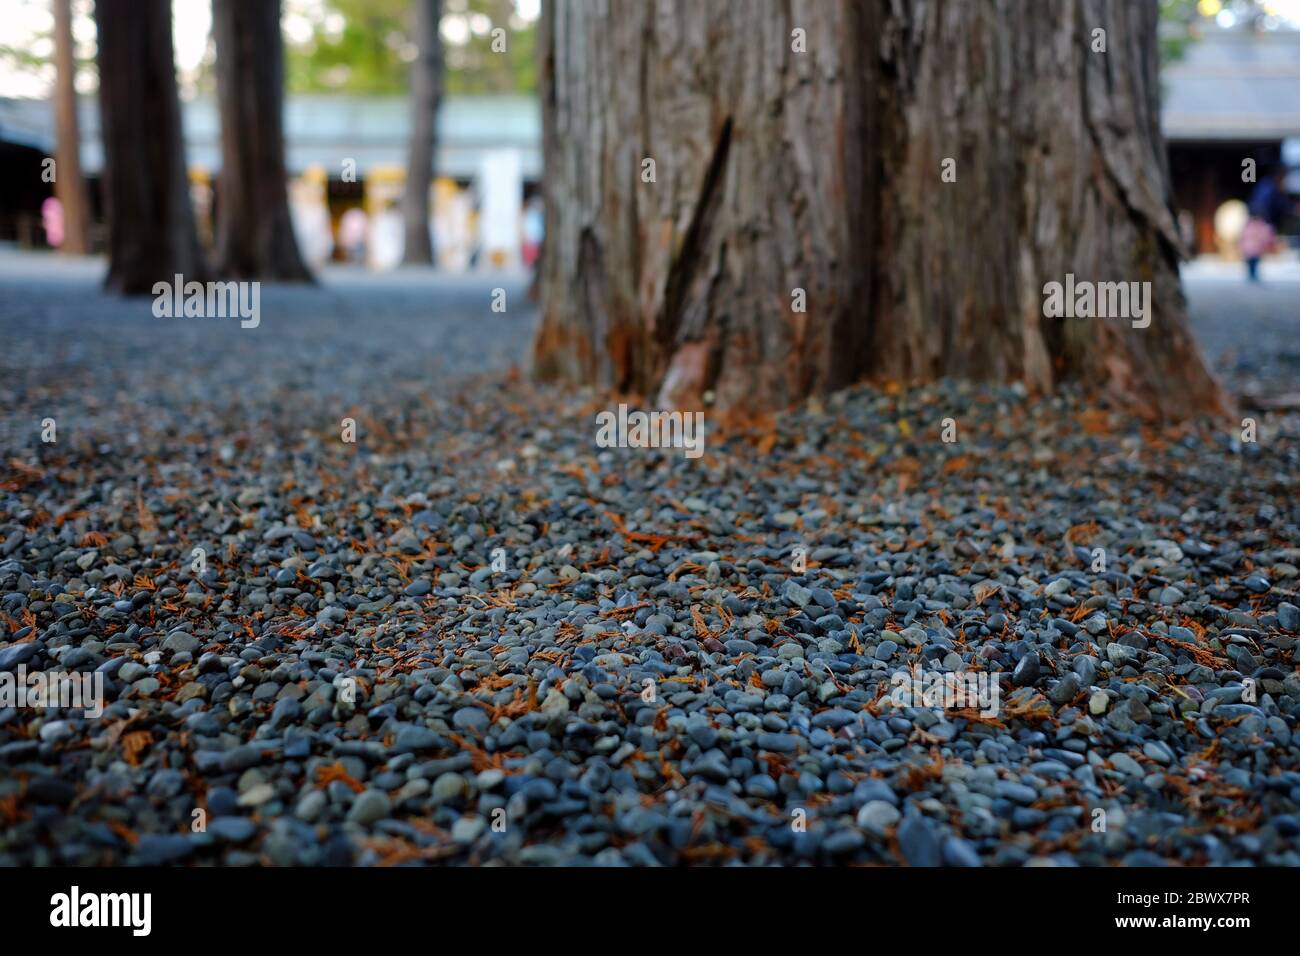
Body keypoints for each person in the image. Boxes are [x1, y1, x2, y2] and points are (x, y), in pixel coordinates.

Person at [1241, 164, 1292, 282]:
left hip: (1259, 219)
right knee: (1254, 247)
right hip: (1260, 219)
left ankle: (1252, 273)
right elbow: (1266, 205)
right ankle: (1252, 274)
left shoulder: (1266, 186)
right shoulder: (1268, 187)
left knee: (1254, 248)